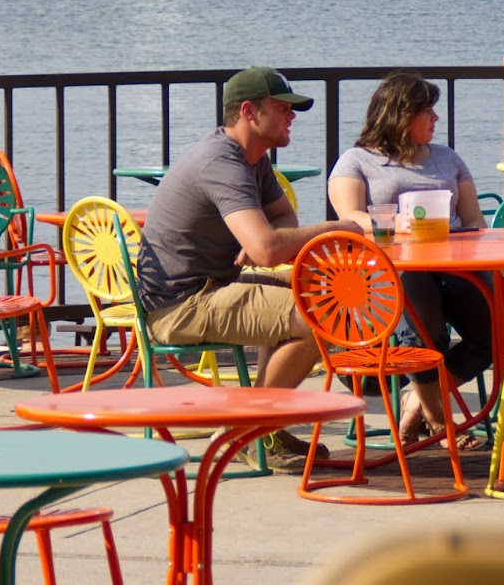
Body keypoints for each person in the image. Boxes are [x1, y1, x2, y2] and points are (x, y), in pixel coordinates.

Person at [135, 66, 363, 470]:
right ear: (248, 111)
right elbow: (267, 247)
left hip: (213, 285)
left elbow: (283, 221)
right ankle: (250, 429)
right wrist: (338, 227)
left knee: (320, 289)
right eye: (282, 108)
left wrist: (261, 243)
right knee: (322, 314)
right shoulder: (221, 162)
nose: (292, 116)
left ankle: (265, 428)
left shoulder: (251, 158)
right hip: (181, 304)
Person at [328, 71, 491, 448]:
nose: (436, 120)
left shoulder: (448, 158)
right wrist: (395, 223)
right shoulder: (357, 161)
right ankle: (439, 423)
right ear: (401, 115)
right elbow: (350, 218)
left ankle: (415, 398)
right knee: (423, 330)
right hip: (391, 268)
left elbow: (474, 220)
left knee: (496, 331)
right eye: (428, 111)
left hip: (451, 264)